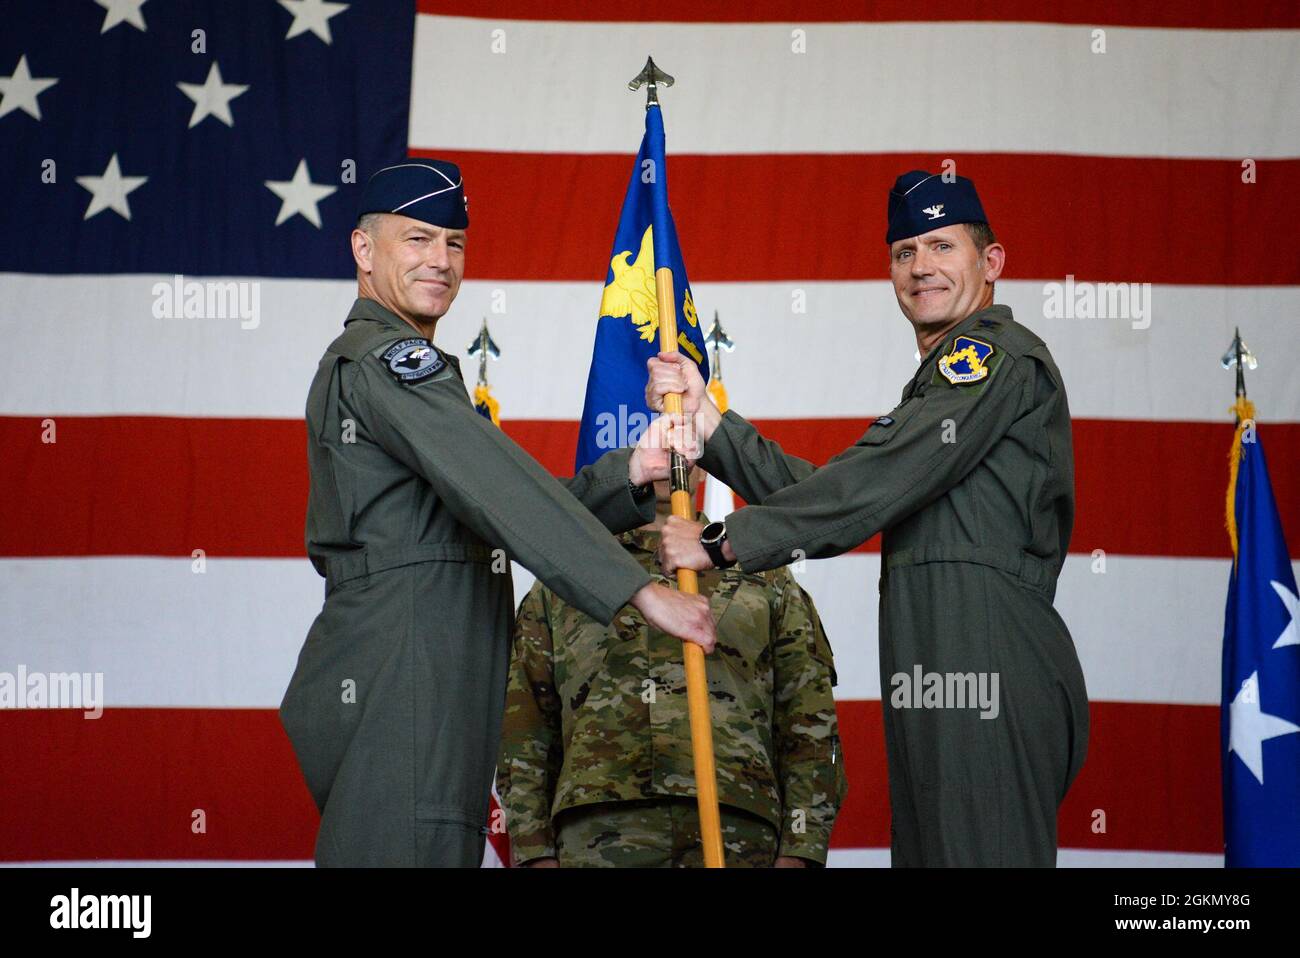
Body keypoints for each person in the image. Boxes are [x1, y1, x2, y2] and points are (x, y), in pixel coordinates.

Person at [279, 160, 714, 868]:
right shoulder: (384, 360)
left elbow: (498, 501)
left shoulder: (411, 366)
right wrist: (638, 589)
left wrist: (632, 474)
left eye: (453, 243)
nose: (440, 261)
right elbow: (499, 488)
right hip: (406, 659)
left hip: (428, 652)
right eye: (417, 239)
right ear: (364, 251)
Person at [647, 170, 1089, 867]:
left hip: (987, 660)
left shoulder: (993, 358)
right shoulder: (939, 387)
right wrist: (712, 425)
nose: (922, 268)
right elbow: (844, 490)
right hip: (941, 660)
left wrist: (722, 541)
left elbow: (868, 484)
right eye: (905, 252)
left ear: (992, 262)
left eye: (942, 247)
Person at [497, 466, 847, 867]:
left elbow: (809, 722)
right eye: (659, 439)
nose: (671, 459)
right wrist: (534, 852)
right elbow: (523, 730)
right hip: (598, 834)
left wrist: (801, 850)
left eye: (683, 442)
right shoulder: (571, 576)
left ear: (702, 459)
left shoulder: (764, 572)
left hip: (738, 832)